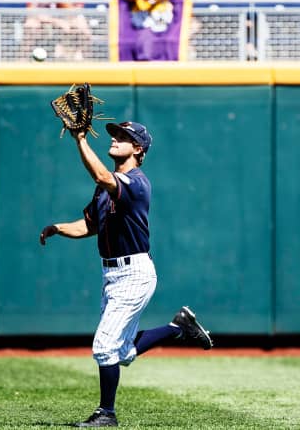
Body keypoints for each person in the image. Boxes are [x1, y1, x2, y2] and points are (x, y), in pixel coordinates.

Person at [39, 119, 213, 428]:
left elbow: (102, 175)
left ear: (138, 149)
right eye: (115, 134)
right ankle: (179, 327)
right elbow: (90, 226)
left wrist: (80, 141)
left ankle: (107, 413)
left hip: (135, 274)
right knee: (122, 352)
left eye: (123, 137)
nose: (115, 139)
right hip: (113, 278)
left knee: (103, 347)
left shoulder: (136, 183)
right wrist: (57, 228)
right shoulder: (105, 189)